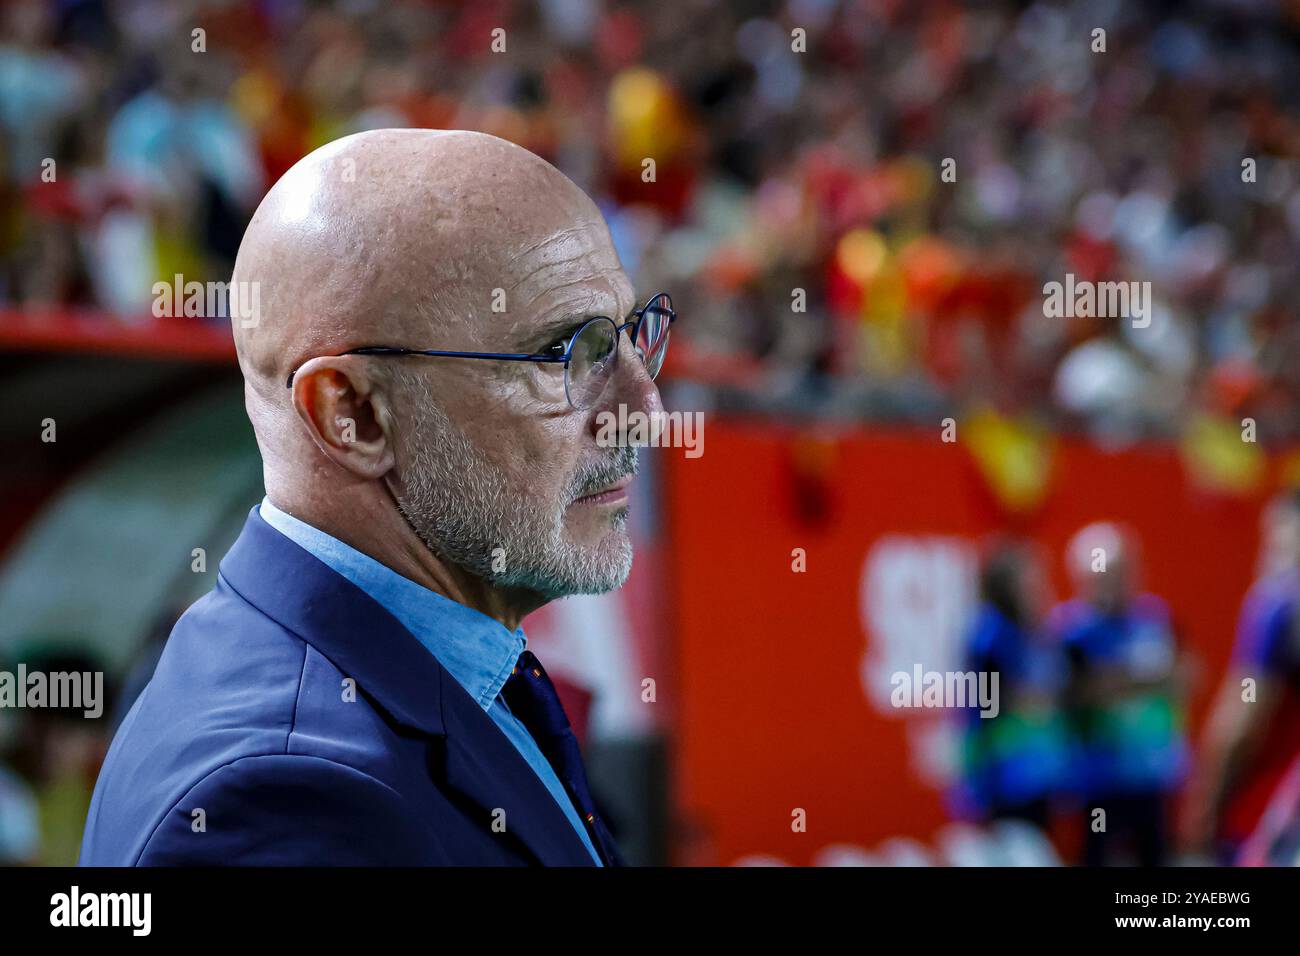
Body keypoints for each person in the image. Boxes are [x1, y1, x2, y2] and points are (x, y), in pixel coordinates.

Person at [80, 128, 671, 865]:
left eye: (629, 334)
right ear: (351, 414)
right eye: (565, 353)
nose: (643, 411)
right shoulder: (282, 799)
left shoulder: (418, 672)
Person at [1050, 522, 1191, 866]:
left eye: (1126, 568)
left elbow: (1186, 676)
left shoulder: (1155, 618)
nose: (1121, 580)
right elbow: (1080, 692)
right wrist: (1148, 681)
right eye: (1108, 573)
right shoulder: (1070, 631)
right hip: (1098, 782)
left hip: (1154, 776)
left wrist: (1123, 683)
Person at [1186, 490, 1300, 862]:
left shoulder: (1276, 603)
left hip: (1270, 810)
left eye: (1274, 536)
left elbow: (1243, 715)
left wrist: (1207, 800)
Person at [957, 539, 1070, 830]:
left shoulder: (1042, 632)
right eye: (1029, 579)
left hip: (1041, 776)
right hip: (1001, 781)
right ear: (1006, 585)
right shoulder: (989, 636)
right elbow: (987, 703)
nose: (1039, 587)